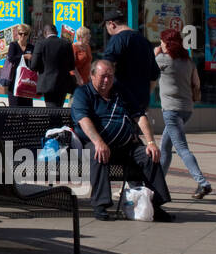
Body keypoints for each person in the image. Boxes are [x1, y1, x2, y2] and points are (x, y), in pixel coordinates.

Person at [71, 58, 173, 222]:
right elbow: (83, 120)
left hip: (125, 145)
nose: (107, 80)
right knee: (97, 153)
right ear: (92, 75)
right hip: (95, 143)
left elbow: (140, 115)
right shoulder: (83, 93)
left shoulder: (120, 91)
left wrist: (151, 142)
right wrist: (99, 142)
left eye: (110, 76)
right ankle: (101, 205)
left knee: (149, 155)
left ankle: (156, 205)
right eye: (103, 76)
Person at [155, 30, 211, 199]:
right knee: (165, 147)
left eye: (162, 42)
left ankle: (203, 183)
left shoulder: (162, 60)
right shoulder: (188, 62)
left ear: (167, 43)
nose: (160, 45)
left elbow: (146, 69)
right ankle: (159, 184)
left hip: (171, 111)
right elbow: (196, 83)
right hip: (187, 109)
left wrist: (155, 54)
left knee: (181, 149)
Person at [99, 10, 159, 115]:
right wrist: (144, 96)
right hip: (141, 101)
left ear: (111, 24)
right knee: (134, 130)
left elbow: (105, 67)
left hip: (121, 100)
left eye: (106, 27)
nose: (107, 31)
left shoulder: (118, 39)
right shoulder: (145, 41)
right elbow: (154, 76)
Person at [30, 23, 77, 106]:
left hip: (47, 83)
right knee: (59, 108)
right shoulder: (66, 44)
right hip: (63, 83)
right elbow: (71, 66)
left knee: (51, 111)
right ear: (57, 32)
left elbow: (34, 66)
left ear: (45, 33)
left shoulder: (41, 44)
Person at [5, 24, 34, 107]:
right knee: (14, 108)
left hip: (27, 82)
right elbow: (11, 58)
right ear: (17, 34)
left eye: (25, 34)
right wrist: (24, 56)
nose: (23, 36)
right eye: (20, 34)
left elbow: (35, 61)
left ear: (28, 35)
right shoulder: (13, 45)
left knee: (27, 108)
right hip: (14, 81)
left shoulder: (31, 47)